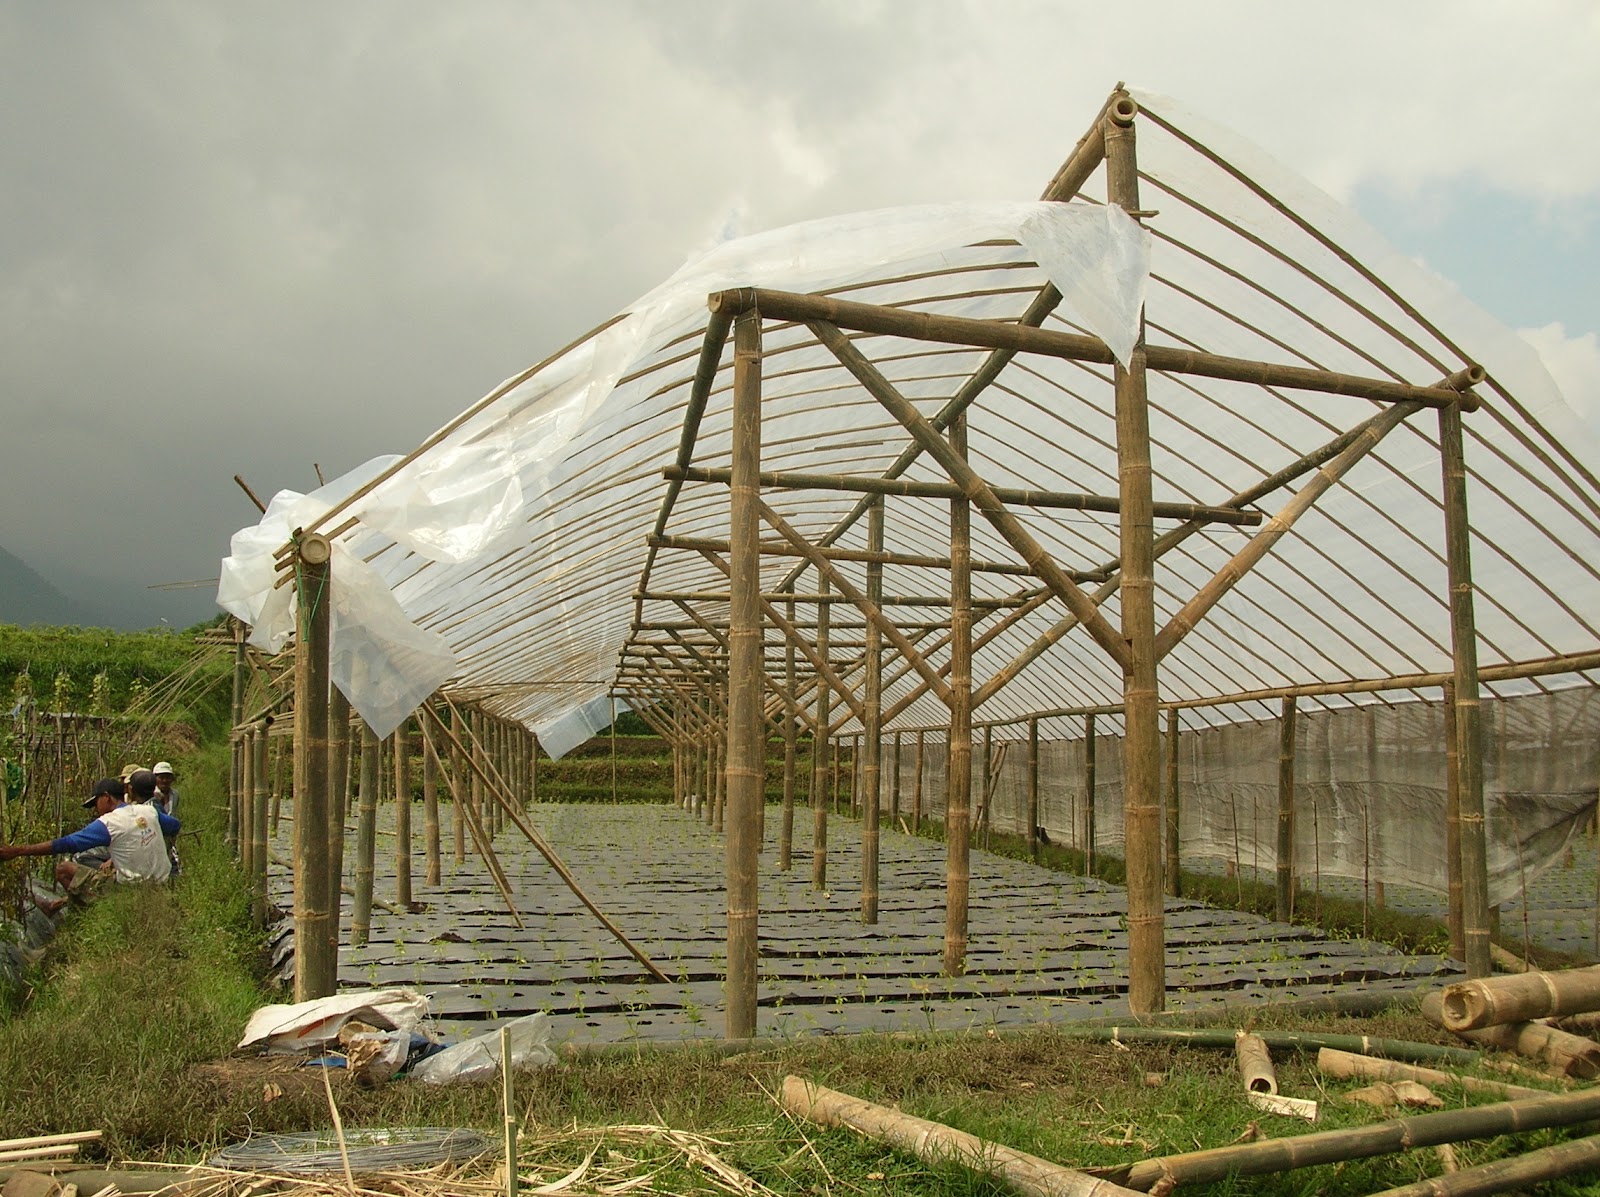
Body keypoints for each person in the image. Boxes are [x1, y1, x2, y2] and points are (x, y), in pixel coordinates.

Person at [0, 776, 179, 884]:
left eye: (96, 803)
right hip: (164, 880)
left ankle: (83, 915)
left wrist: (19, 850)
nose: (96, 809)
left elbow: (67, 844)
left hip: (133, 886)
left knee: (64, 868)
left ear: (106, 797)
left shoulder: (109, 823)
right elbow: (175, 825)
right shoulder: (147, 811)